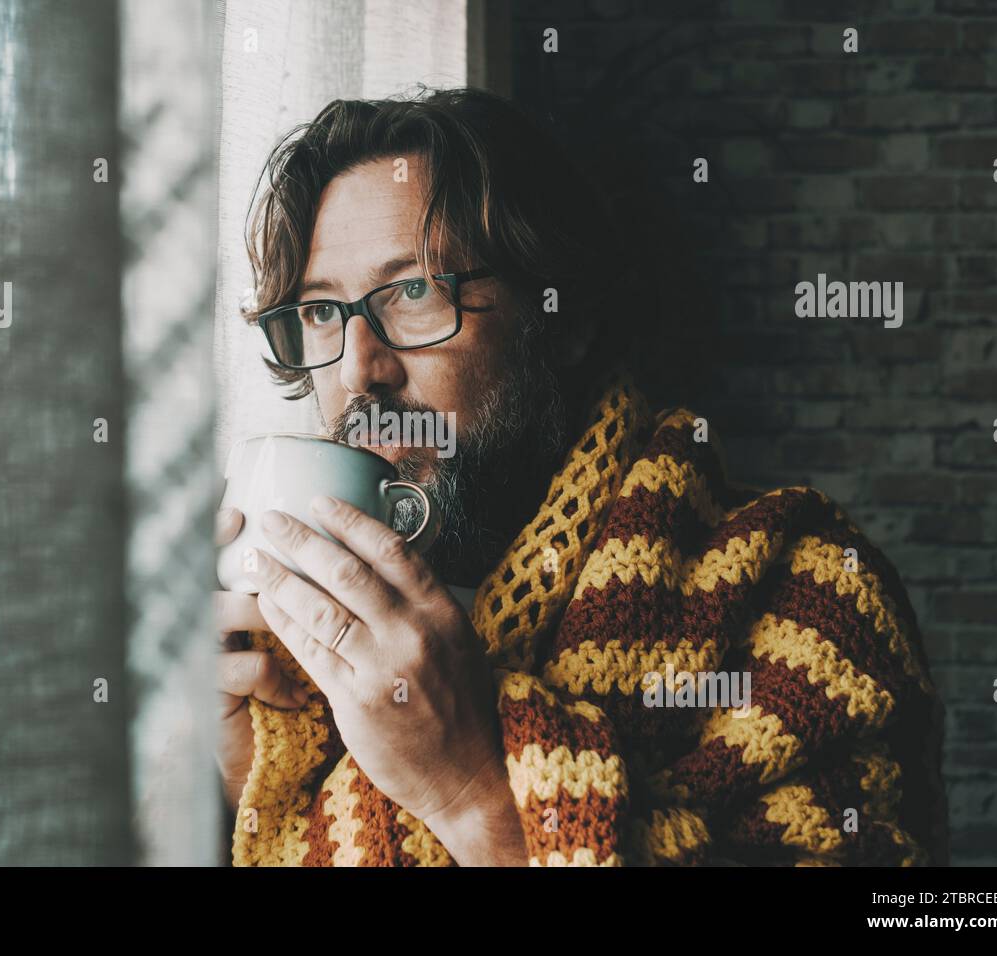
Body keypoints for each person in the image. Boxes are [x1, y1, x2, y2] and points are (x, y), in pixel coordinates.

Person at [213, 87, 948, 867]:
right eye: (323, 312)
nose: (360, 371)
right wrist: (239, 783)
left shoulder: (806, 595)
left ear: (563, 318)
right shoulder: (298, 662)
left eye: (414, 292)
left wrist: (472, 796)